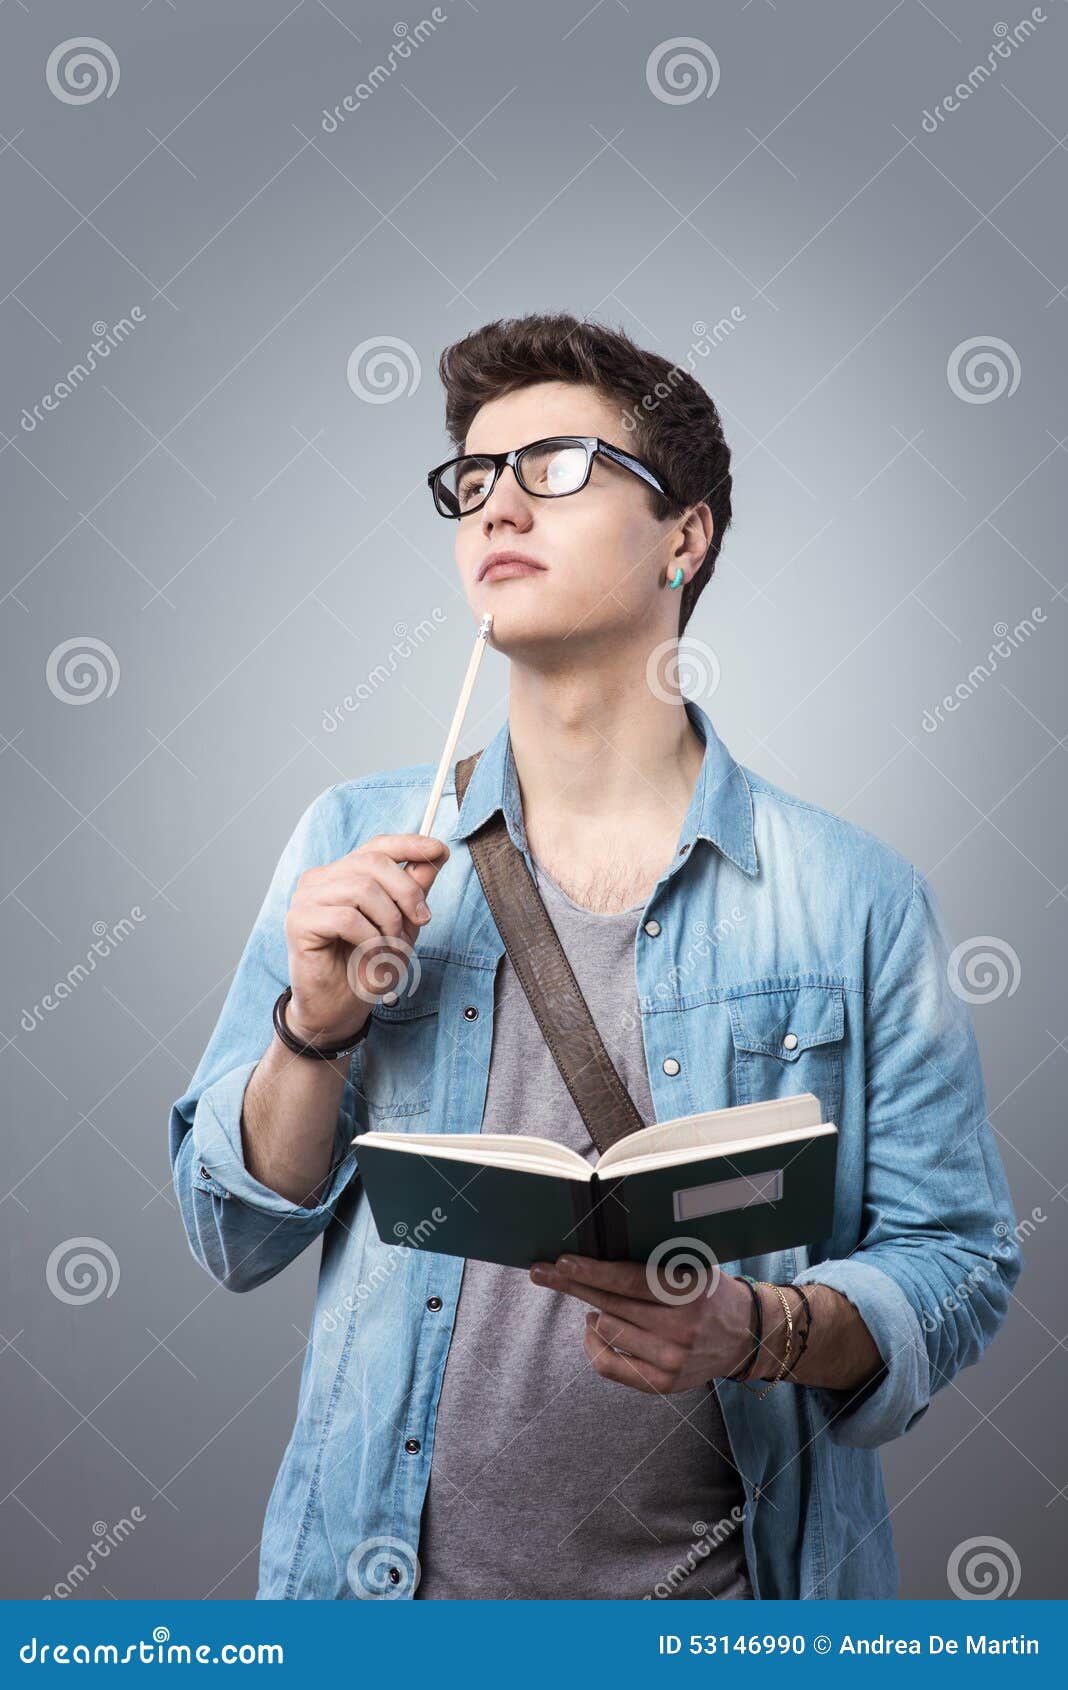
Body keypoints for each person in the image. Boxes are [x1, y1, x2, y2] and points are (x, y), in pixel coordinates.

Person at [169, 312, 1021, 1601]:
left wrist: (762, 1329)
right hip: (381, 1609)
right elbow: (231, 1233)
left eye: (555, 464)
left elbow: (957, 1260)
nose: (497, 501)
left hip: (733, 1615)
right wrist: (315, 1029)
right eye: (473, 476)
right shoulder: (353, 842)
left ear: (688, 533)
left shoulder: (854, 896)